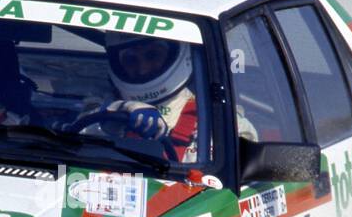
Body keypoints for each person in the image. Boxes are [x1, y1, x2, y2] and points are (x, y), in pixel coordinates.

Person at [94, 34, 255, 162]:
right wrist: (109, 119)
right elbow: (72, 145)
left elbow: (249, 173)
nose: (142, 69)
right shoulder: (102, 112)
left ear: (175, 55)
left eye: (153, 55)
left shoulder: (219, 125)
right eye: (130, 60)